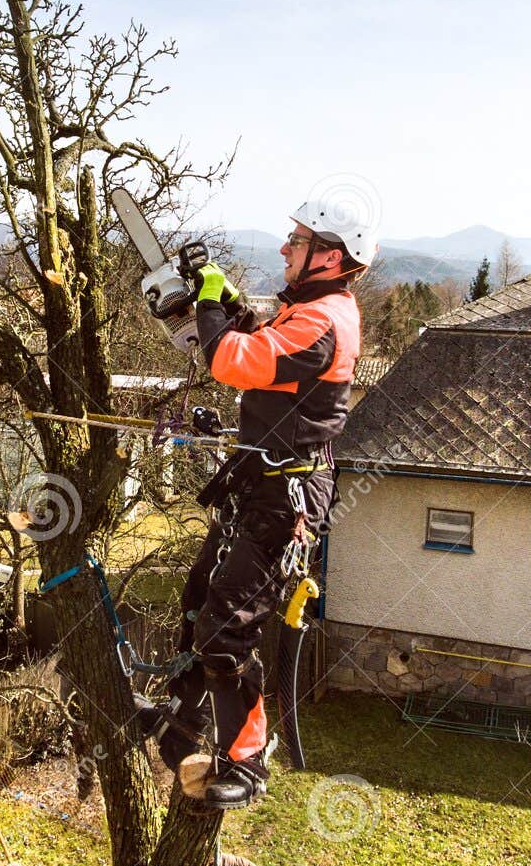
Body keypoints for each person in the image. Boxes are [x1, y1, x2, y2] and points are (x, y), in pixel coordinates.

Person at [151, 199, 376, 810]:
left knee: (230, 624)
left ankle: (246, 763)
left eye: (296, 240)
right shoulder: (306, 312)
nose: (285, 248)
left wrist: (207, 311)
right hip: (261, 483)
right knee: (202, 595)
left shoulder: (324, 321)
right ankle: (187, 716)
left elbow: (233, 362)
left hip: (288, 497)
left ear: (331, 254)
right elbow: (260, 341)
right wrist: (221, 304)